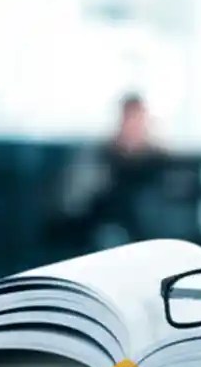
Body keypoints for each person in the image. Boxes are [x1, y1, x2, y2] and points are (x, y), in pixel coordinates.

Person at [56, 93, 171, 250]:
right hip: (103, 224)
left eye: (139, 120)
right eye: (131, 119)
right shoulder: (99, 155)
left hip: (146, 228)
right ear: (121, 120)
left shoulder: (159, 159)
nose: (134, 127)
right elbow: (75, 201)